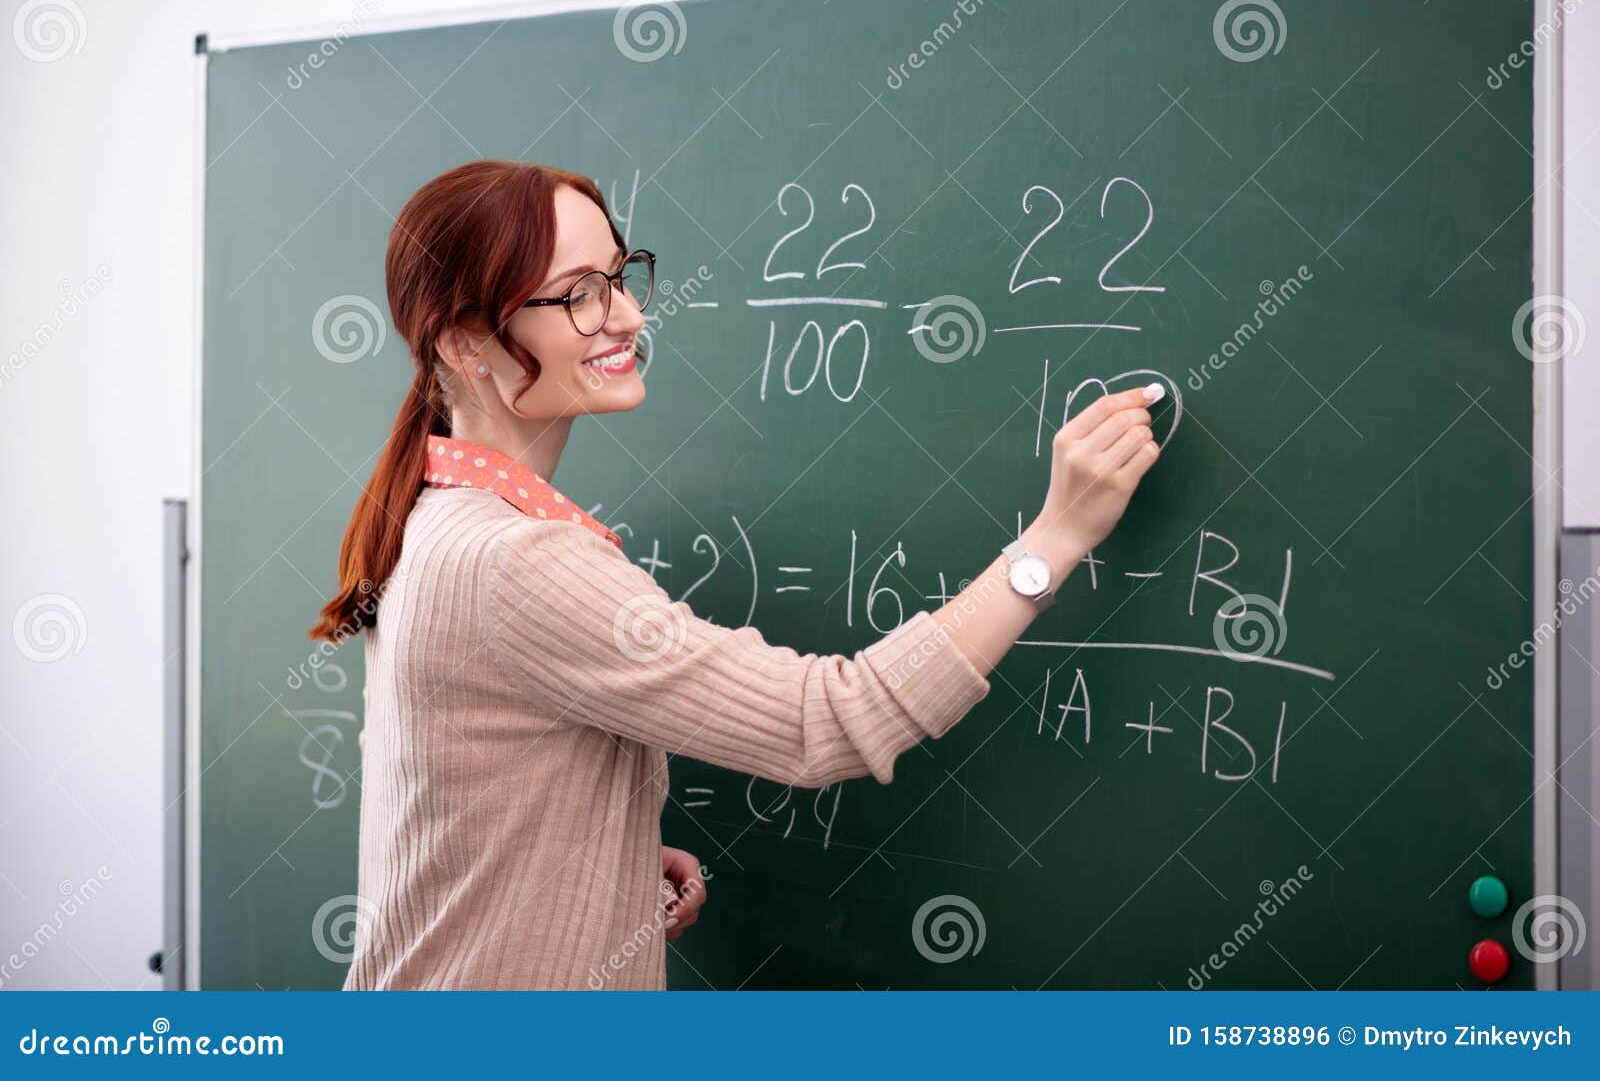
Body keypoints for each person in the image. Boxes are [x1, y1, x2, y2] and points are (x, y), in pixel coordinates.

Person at [311, 159, 1163, 989]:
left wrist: (596, 852)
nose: (628, 317)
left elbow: (440, 789)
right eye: (578, 295)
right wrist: (1056, 535)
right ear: (465, 342)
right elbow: (828, 720)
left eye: (619, 276)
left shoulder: (438, 518)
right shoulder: (516, 560)